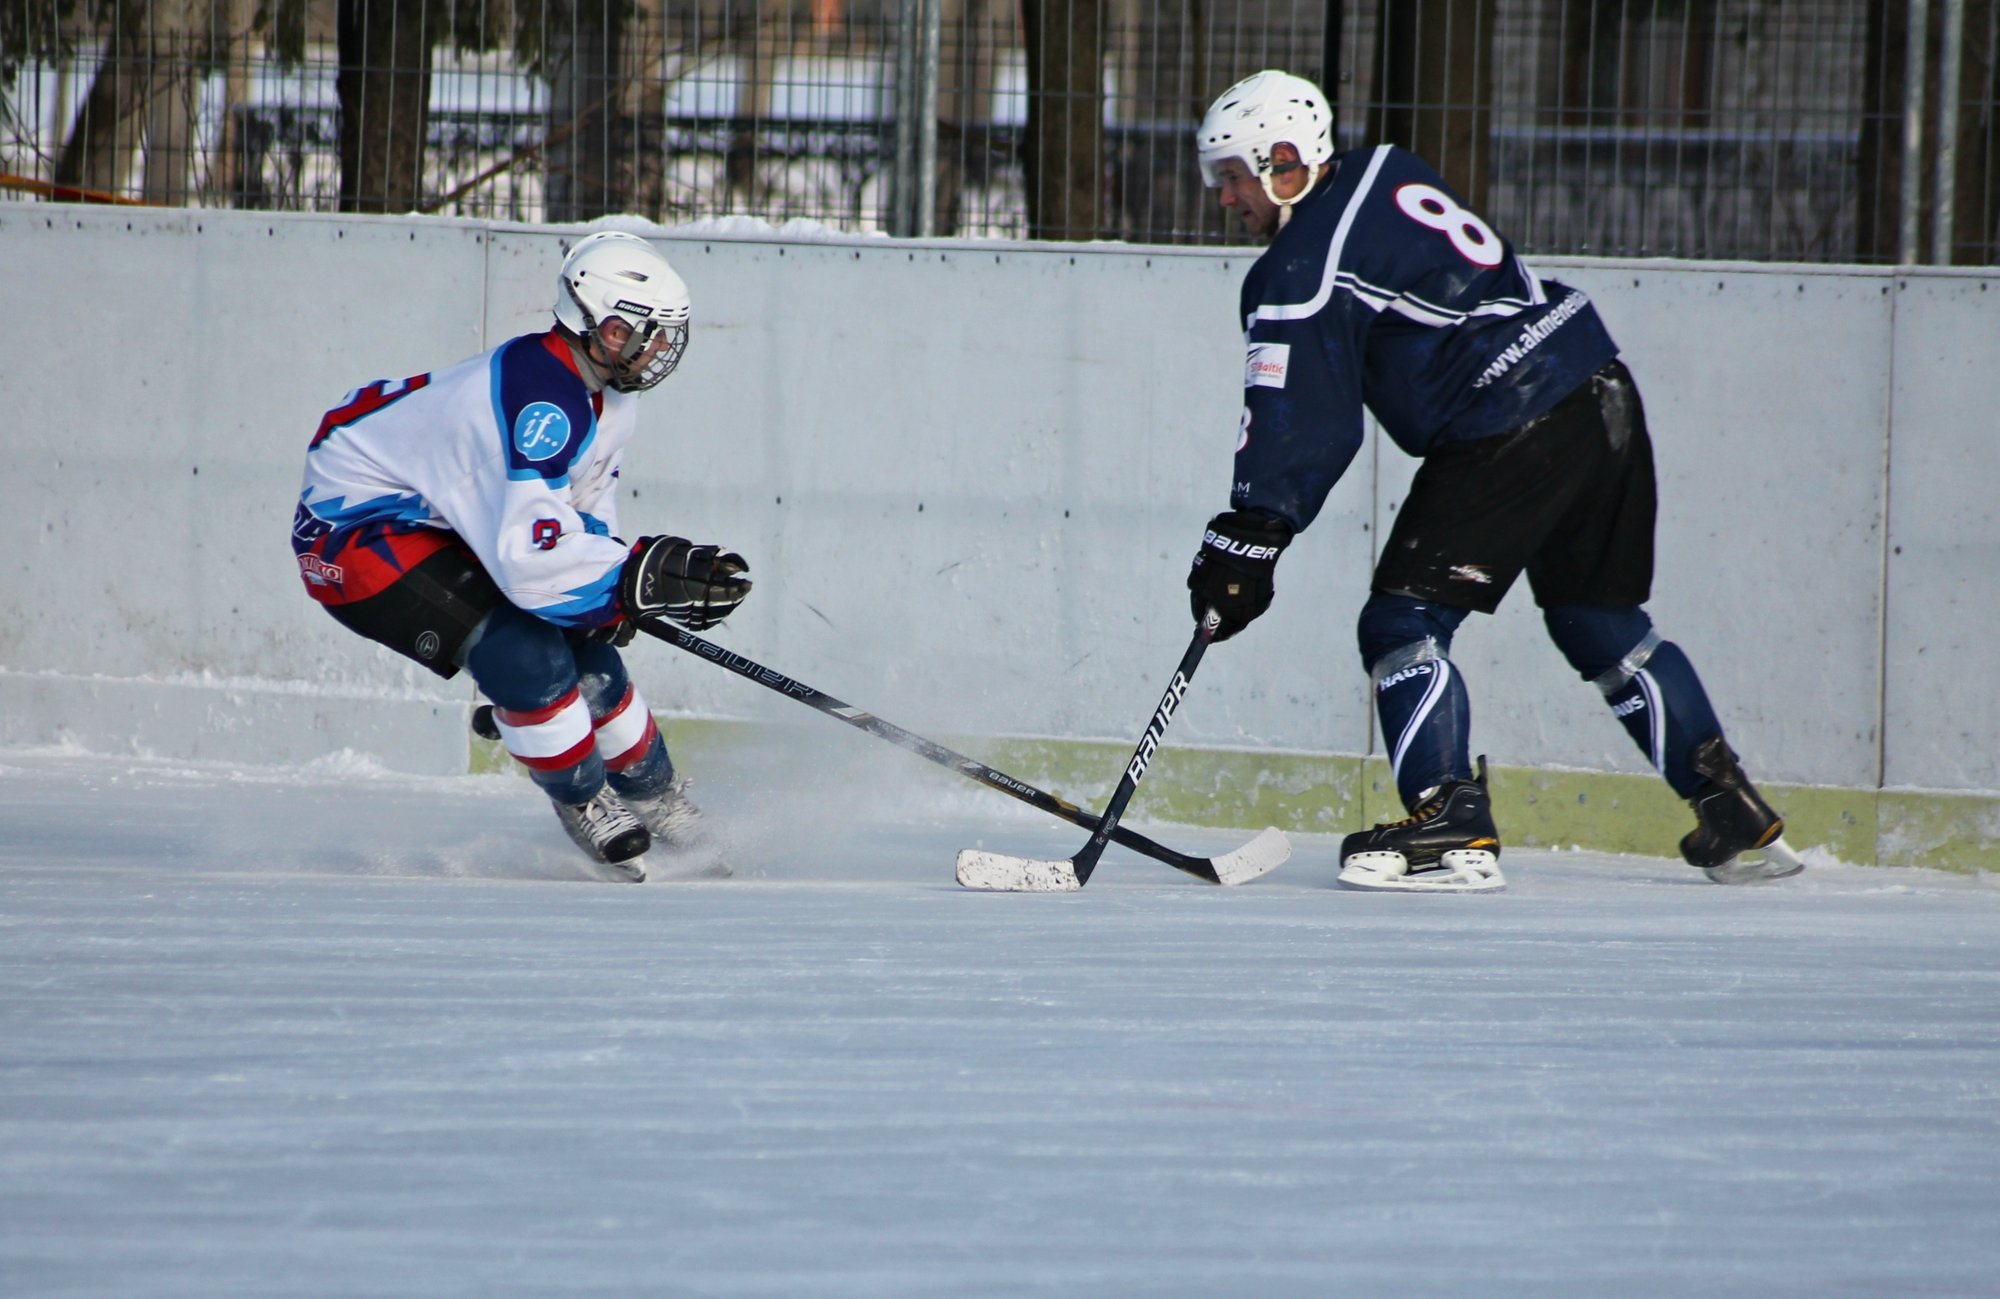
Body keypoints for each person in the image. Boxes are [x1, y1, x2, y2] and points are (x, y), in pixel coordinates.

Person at [1181, 70, 1803, 893]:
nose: (1226, 199)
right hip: (1596, 383)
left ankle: (1449, 825)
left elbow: (1306, 415)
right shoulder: (1387, 170)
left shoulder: (1299, 265)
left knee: (1402, 621)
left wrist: (1252, 531)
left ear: (1285, 164)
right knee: (1597, 616)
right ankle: (1727, 805)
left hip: (1511, 417)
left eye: (1233, 176)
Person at [291, 230, 751, 883]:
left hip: (442, 514)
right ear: (598, 325)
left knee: (592, 657)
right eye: (640, 331)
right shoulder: (537, 402)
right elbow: (527, 562)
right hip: (354, 531)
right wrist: (629, 578)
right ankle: (583, 794)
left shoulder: (611, 397)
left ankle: (659, 796)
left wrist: (614, 578)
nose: (655, 349)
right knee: (524, 653)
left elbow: (580, 508)